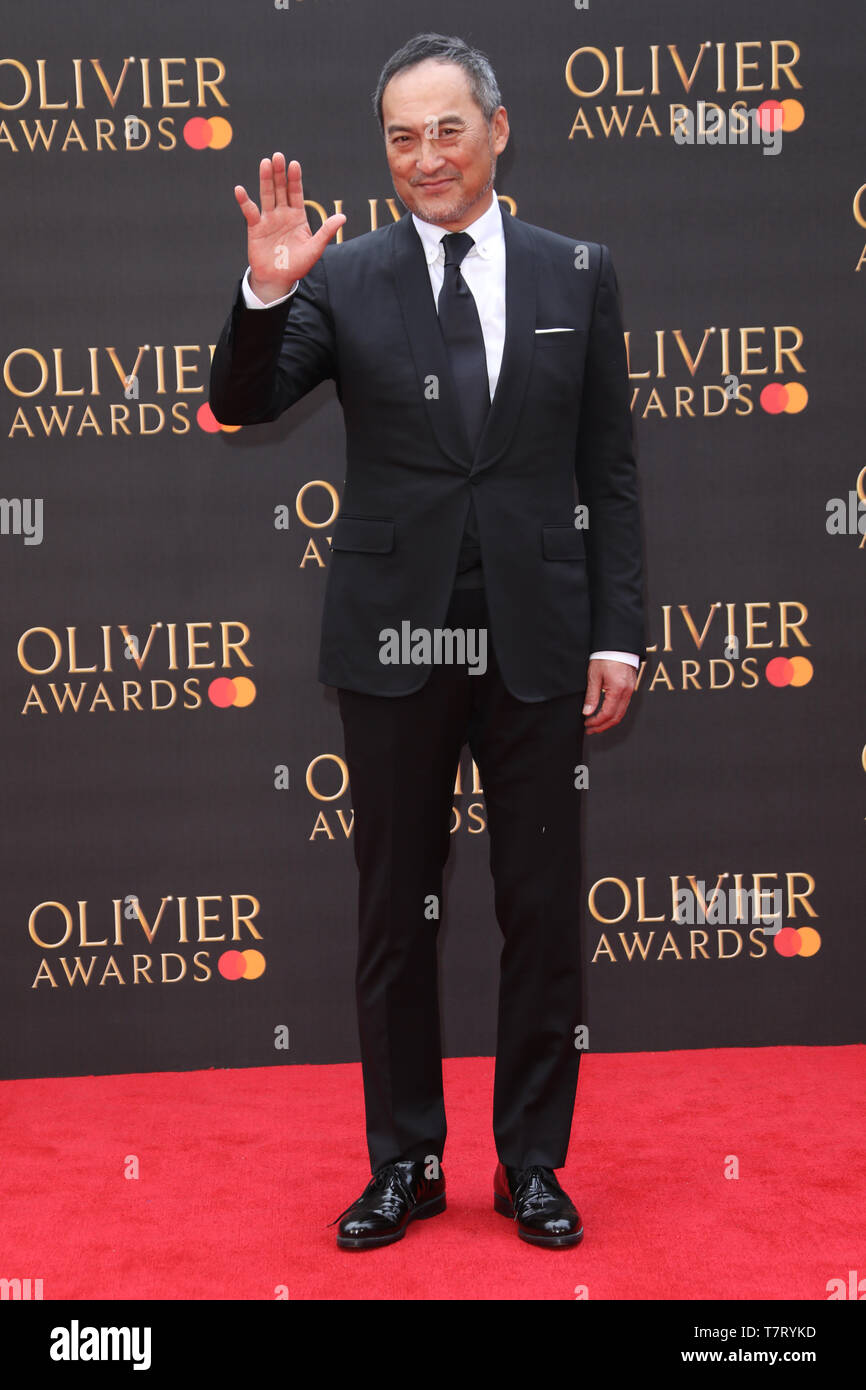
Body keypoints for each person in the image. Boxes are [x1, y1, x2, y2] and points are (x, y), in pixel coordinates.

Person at [209, 32, 645, 1251]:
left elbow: (607, 472)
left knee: (542, 908)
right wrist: (267, 291)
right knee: (395, 913)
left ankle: (531, 1163)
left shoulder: (576, 271)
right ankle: (402, 1161)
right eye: (402, 137)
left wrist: (618, 630)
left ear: (498, 131)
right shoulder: (342, 278)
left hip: (539, 639)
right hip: (393, 642)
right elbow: (243, 402)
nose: (425, 157)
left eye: (447, 129)